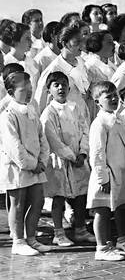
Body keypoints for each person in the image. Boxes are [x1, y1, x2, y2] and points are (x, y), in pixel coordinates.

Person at [86, 81, 125, 261]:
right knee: (102, 210)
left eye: (116, 95)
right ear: (97, 102)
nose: (114, 99)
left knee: (118, 207)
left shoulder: (116, 119)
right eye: (109, 97)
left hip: (120, 173)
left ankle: (115, 242)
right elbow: (97, 152)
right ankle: (101, 247)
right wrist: (102, 177)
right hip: (107, 175)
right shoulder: (100, 123)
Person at [1, 71, 50, 256]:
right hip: (18, 167)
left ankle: (31, 238)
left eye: (30, 88)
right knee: (18, 204)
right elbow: (14, 146)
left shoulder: (31, 111)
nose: (29, 92)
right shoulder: (8, 115)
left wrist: (42, 160)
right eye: (23, 89)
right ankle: (18, 241)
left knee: (38, 201)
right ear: (11, 92)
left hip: (36, 165)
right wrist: (31, 163)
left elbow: (41, 137)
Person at [40, 71, 92, 246]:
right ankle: (58, 232)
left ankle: (80, 229)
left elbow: (85, 130)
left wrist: (83, 152)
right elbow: (52, 139)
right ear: (49, 91)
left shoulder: (75, 107)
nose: (61, 88)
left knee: (80, 195)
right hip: (60, 161)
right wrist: (70, 155)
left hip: (78, 158)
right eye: (56, 85)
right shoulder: (49, 113)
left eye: (63, 84)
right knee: (59, 196)